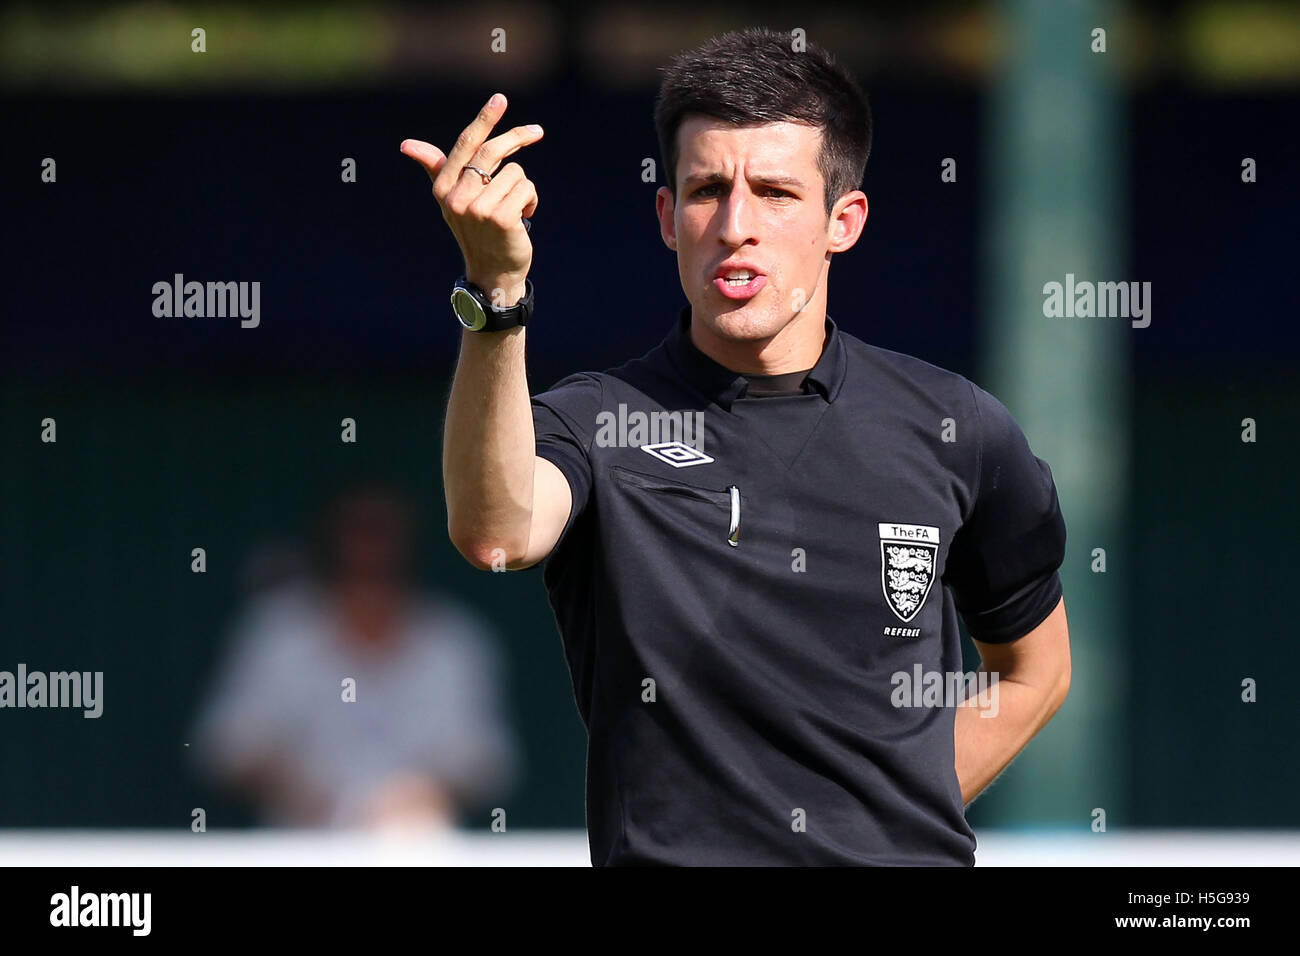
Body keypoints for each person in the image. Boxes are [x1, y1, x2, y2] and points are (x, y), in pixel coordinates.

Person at [401, 27, 1071, 865]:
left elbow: (1035, 670)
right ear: (667, 218)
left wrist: (888, 809)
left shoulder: (954, 426)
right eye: (707, 189)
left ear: (843, 221)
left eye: (777, 192)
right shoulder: (599, 420)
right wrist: (497, 292)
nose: (736, 224)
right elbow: (493, 532)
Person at [191, 485, 518, 830]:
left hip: (417, 849)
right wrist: (296, 788)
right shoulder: (278, 632)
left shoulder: (455, 641)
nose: (369, 550)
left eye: (381, 533)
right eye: (358, 532)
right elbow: (225, 746)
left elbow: (487, 761)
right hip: (297, 845)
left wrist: (416, 796)